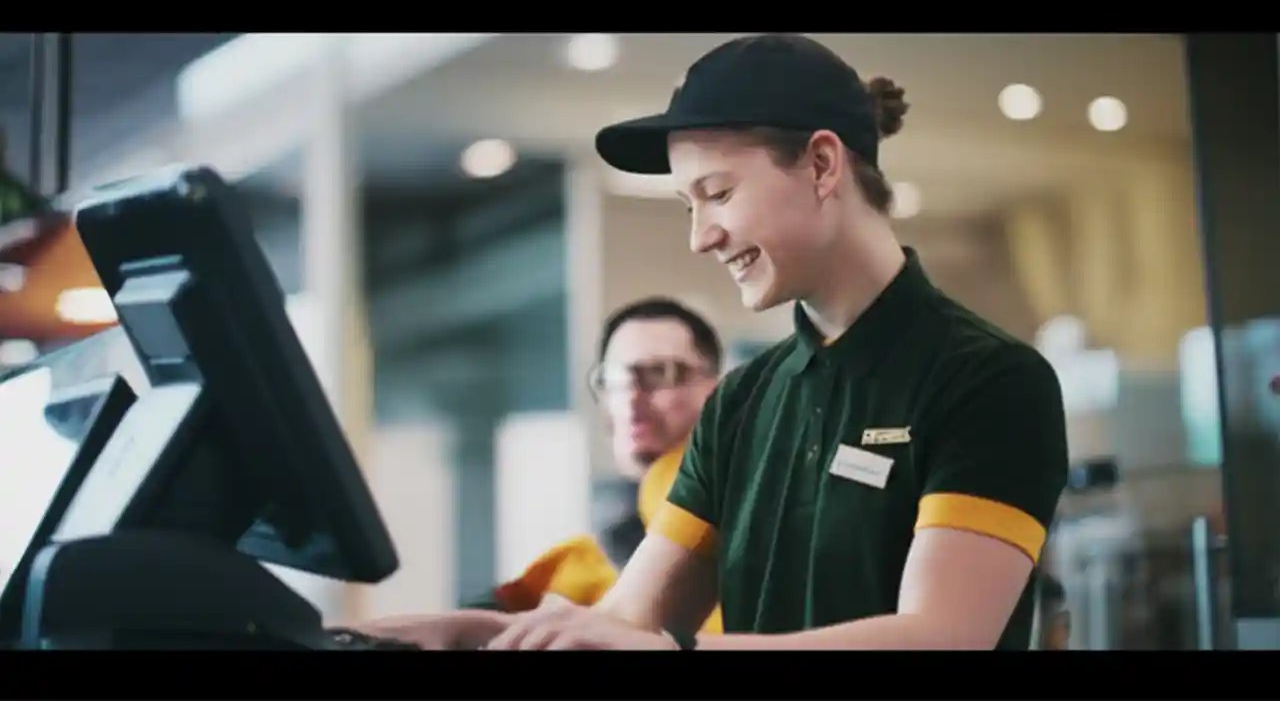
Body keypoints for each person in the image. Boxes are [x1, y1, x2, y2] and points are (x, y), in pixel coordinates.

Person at [365, 32, 1069, 651]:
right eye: (689, 205)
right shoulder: (742, 402)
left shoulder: (989, 380)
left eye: (719, 194)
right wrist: (468, 631)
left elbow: (941, 640)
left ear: (823, 165)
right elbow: (628, 620)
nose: (701, 237)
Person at [350, 298, 726, 647]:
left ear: (717, 387)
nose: (630, 398)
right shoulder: (581, 556)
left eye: (658, 373)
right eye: (614, 379)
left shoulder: (742, 509)